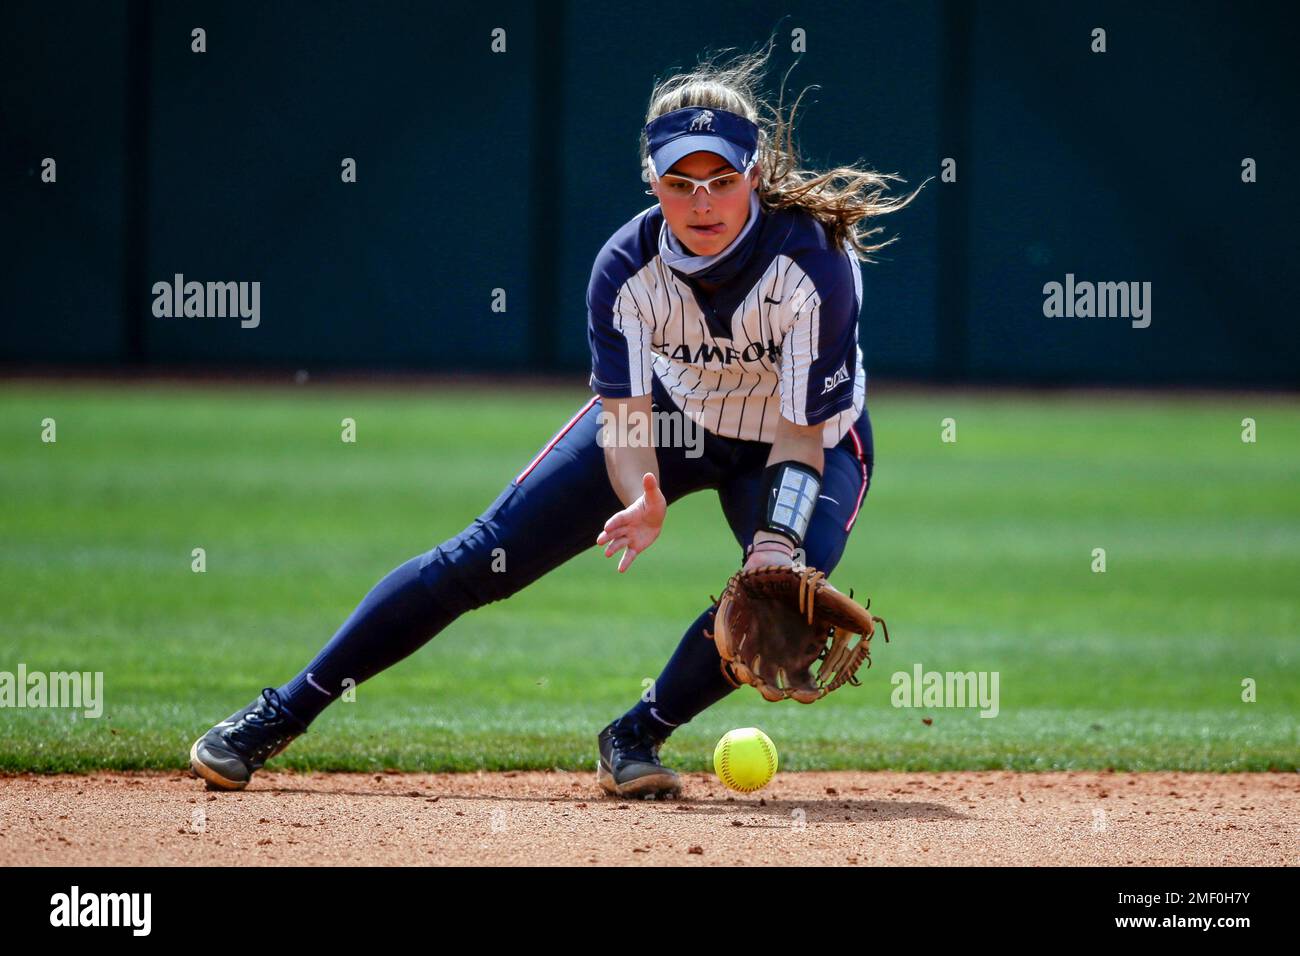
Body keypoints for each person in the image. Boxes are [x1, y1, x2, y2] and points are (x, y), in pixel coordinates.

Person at [189, 47, 924, 799]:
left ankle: (636, 734)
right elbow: (628, 416)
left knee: (777, 591)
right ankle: (278, 713)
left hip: (803, 440)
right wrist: (640, 491)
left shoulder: (813, 261)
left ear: (755, 177)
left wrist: (775, 542)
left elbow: (801, 433)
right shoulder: (625, 269)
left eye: (721, 180)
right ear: (652, 183)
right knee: (484, 557)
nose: (702, 202)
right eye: (680, 182)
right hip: (674, 418)